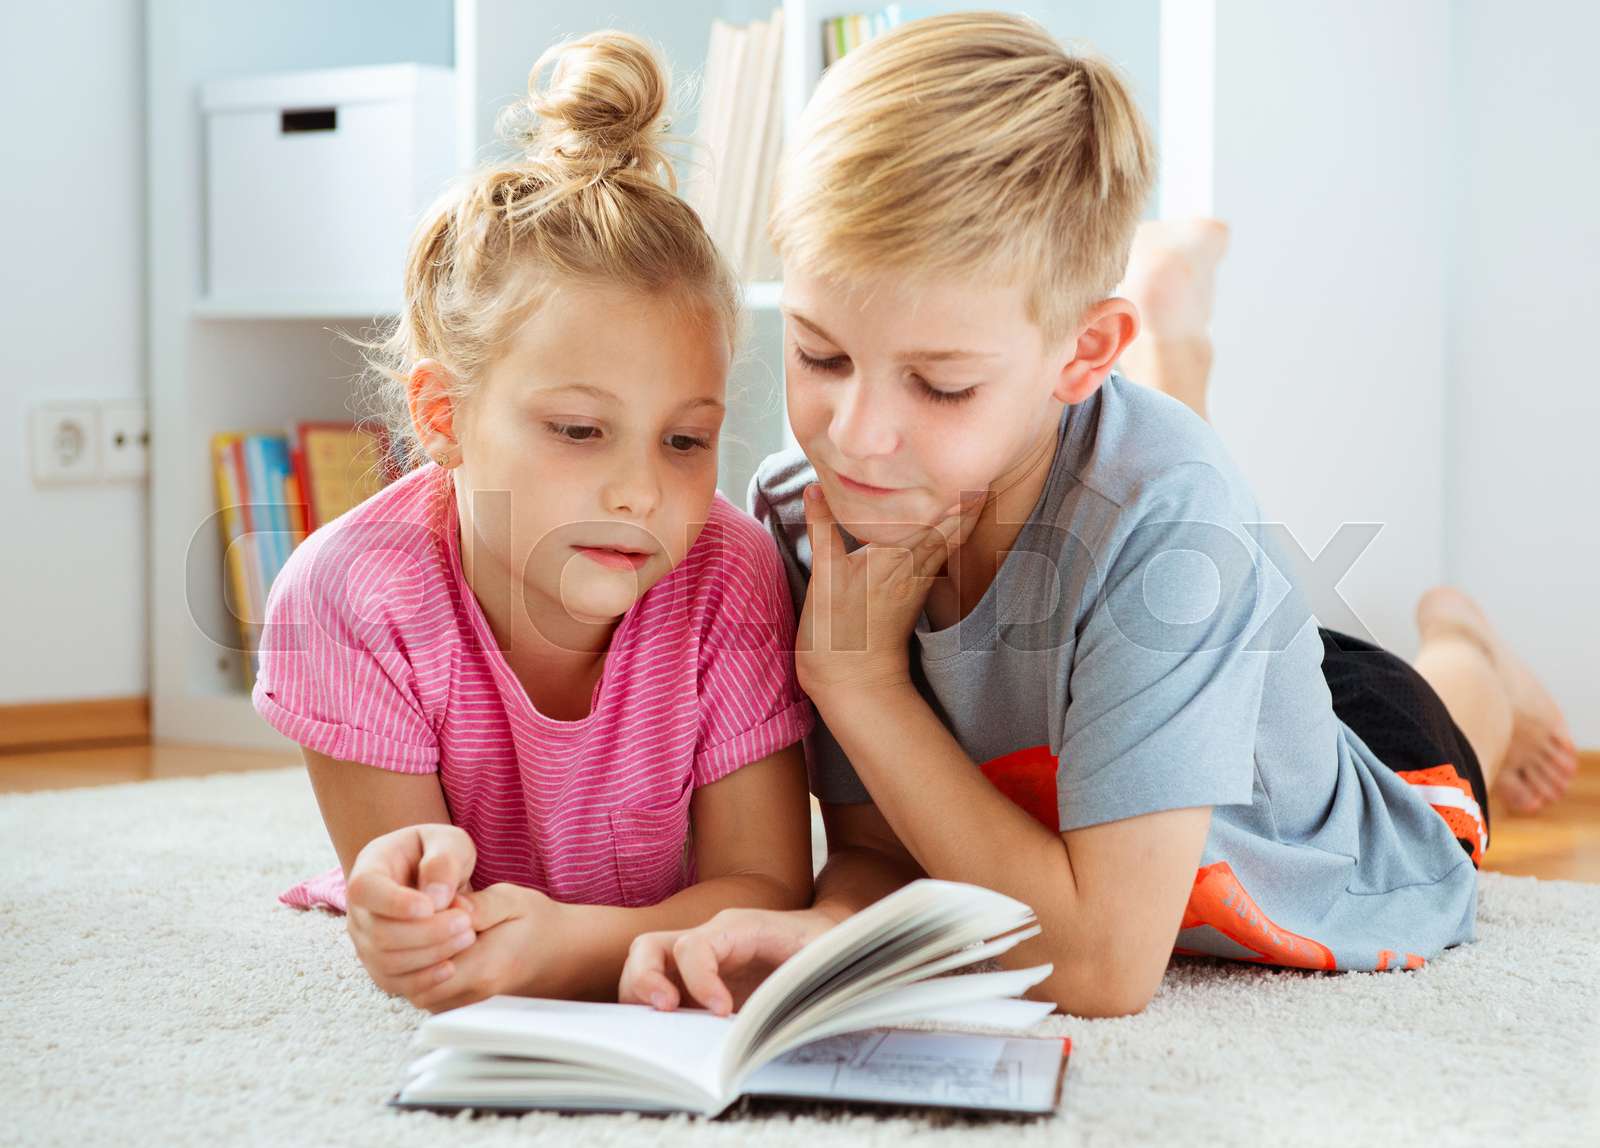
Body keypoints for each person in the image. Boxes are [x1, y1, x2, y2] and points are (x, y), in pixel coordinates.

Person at [616, 12, 1580, 1019]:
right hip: (1168, 649)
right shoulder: (810, 508)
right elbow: (877, 850)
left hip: (1345, 743)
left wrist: (861, 684)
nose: (854, 434)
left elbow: (1101, 968)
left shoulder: (1166, 515)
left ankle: (1471, 644)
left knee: (1435, 725)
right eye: (819, 355)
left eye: (940, 385)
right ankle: (1178, 346)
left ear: (1083, 352)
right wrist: (828, 935)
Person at [252, 31, 815, 1014]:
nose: (641, 490)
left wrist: (568, 947)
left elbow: (768, 891)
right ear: (444, 416)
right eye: (579, 429)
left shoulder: (733, 574)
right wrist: (407, 899)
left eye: (685, 441)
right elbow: (430, 933)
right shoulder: (345, 595)